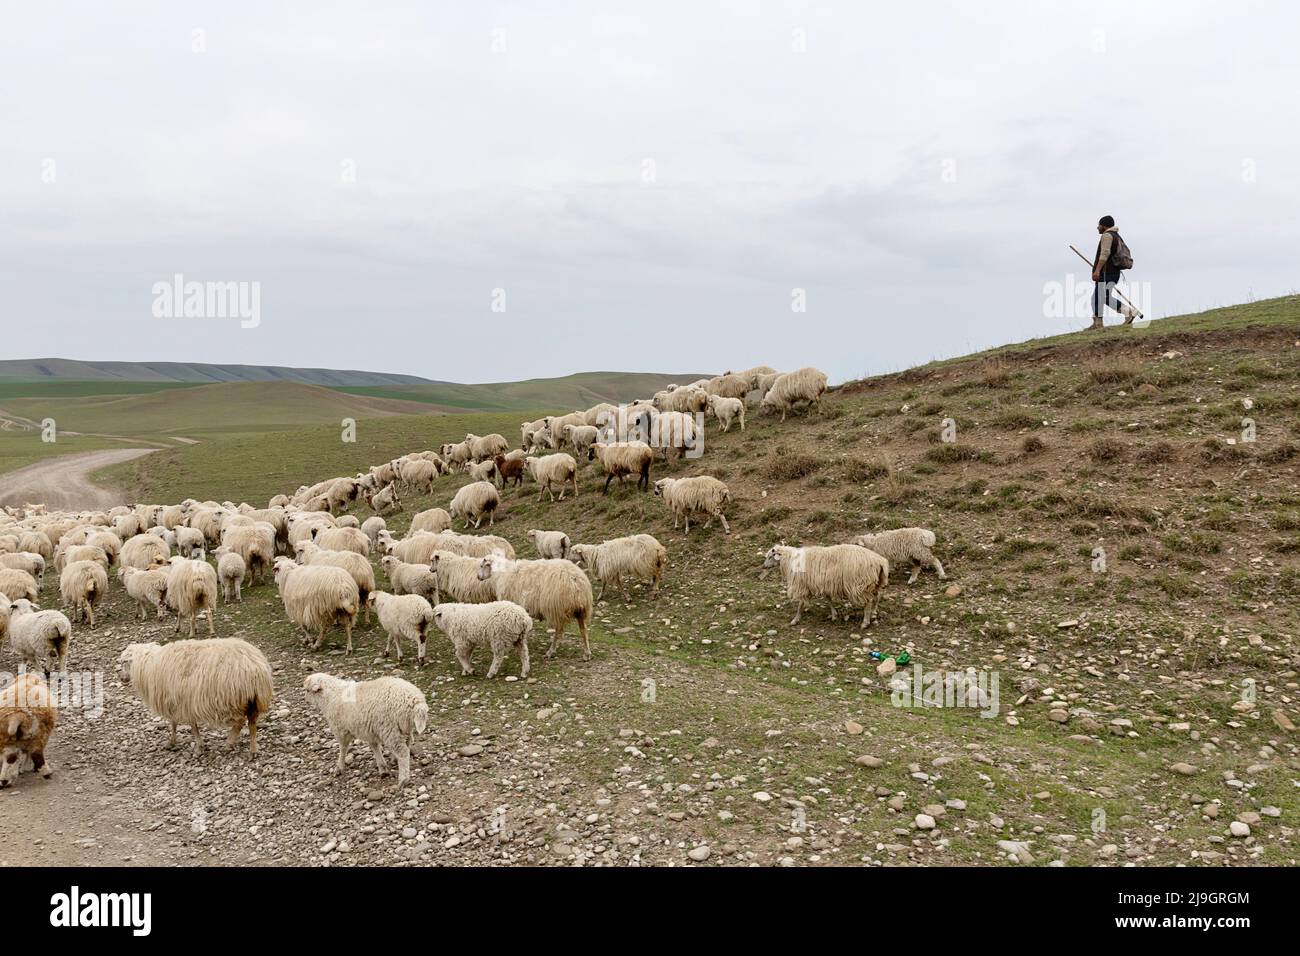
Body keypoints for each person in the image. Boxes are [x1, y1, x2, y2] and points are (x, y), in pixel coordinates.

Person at [1089, 215, 1140, 330]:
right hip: (1112, 272)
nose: (1097, 227)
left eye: (1099, 225)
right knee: (1097, 297)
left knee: (1103, 297)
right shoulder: (1116, 236)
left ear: (1104, 225)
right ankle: (1097, 323)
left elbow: (1105, 254)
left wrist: (1097, 270)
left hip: (1107, 272)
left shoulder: (1107, 236)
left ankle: (1128, 312)